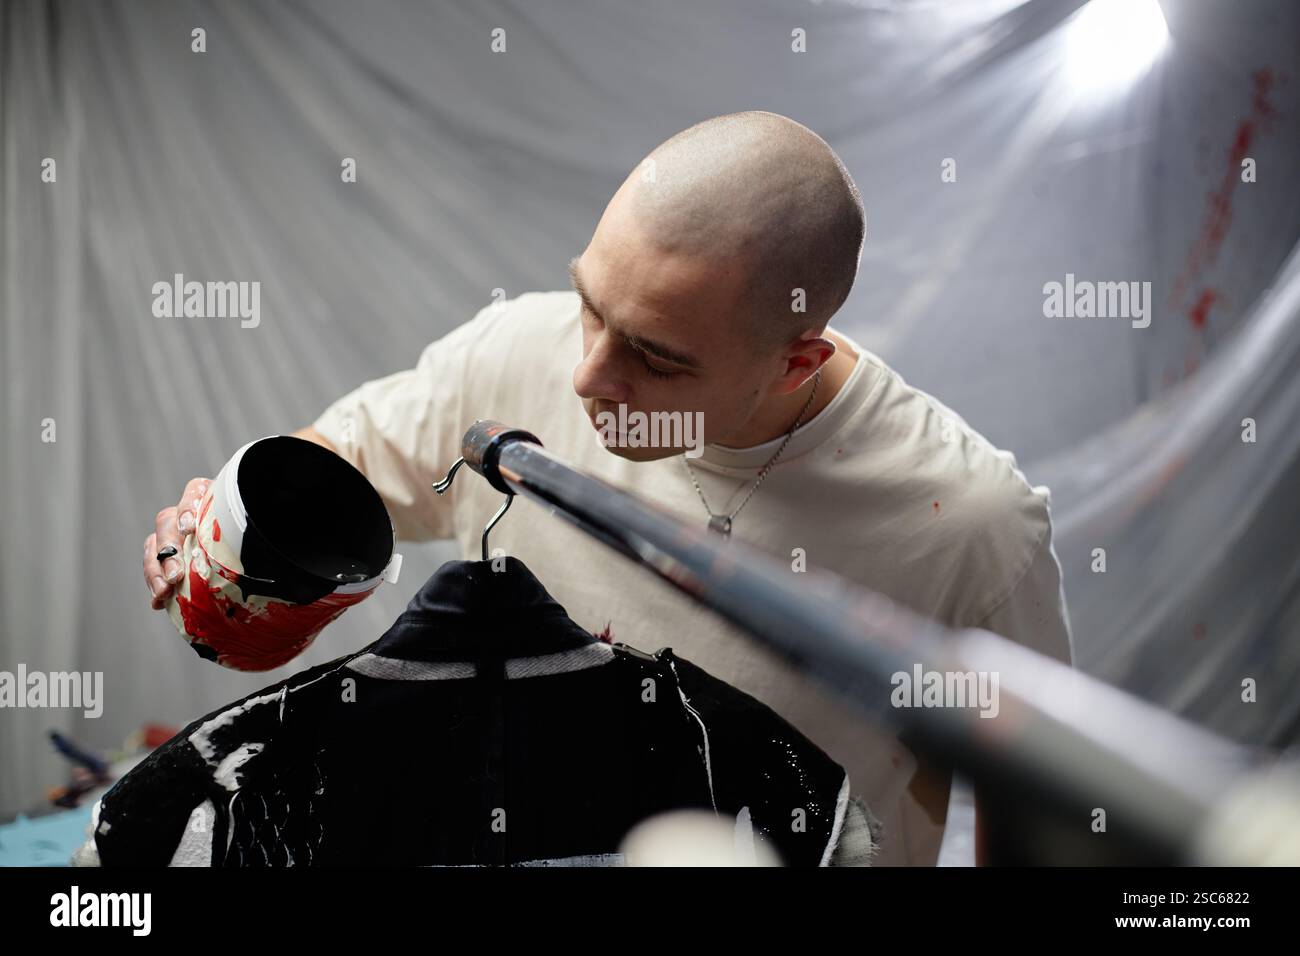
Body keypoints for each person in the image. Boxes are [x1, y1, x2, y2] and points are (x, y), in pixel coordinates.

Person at [142, 110, 1073, 866]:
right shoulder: (512, 353)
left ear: (798, 362)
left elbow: (1041, 818)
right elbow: (327, 467)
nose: (587, 375)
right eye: (591, 305)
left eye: (655, 359)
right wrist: (221, 551)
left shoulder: (971, 526)